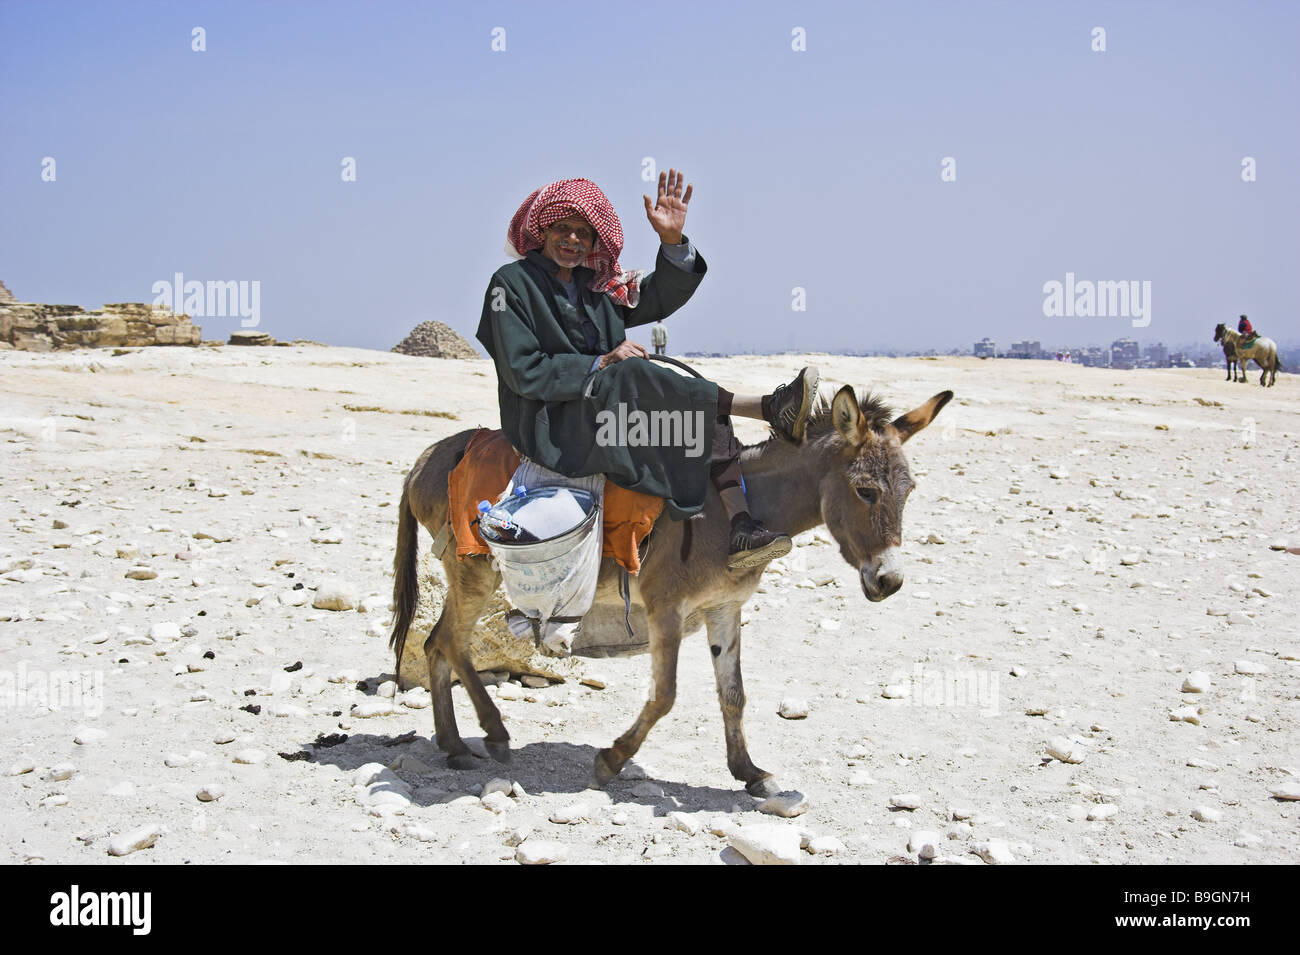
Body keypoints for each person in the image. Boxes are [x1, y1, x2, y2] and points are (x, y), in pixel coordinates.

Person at [475, 172, 818, 570]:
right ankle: (767, 408)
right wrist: (600, 363)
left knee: (698, 409)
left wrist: (671, 240)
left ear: (595, 241)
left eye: (583, 233)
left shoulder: (599, 286)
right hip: (549, 424)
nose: (573, 240)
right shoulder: (510, 285)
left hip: (605, 414)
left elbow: (658, 294)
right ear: (543, 230)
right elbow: (522, 370)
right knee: (631, 372)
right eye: (563, 229)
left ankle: (742, 525)